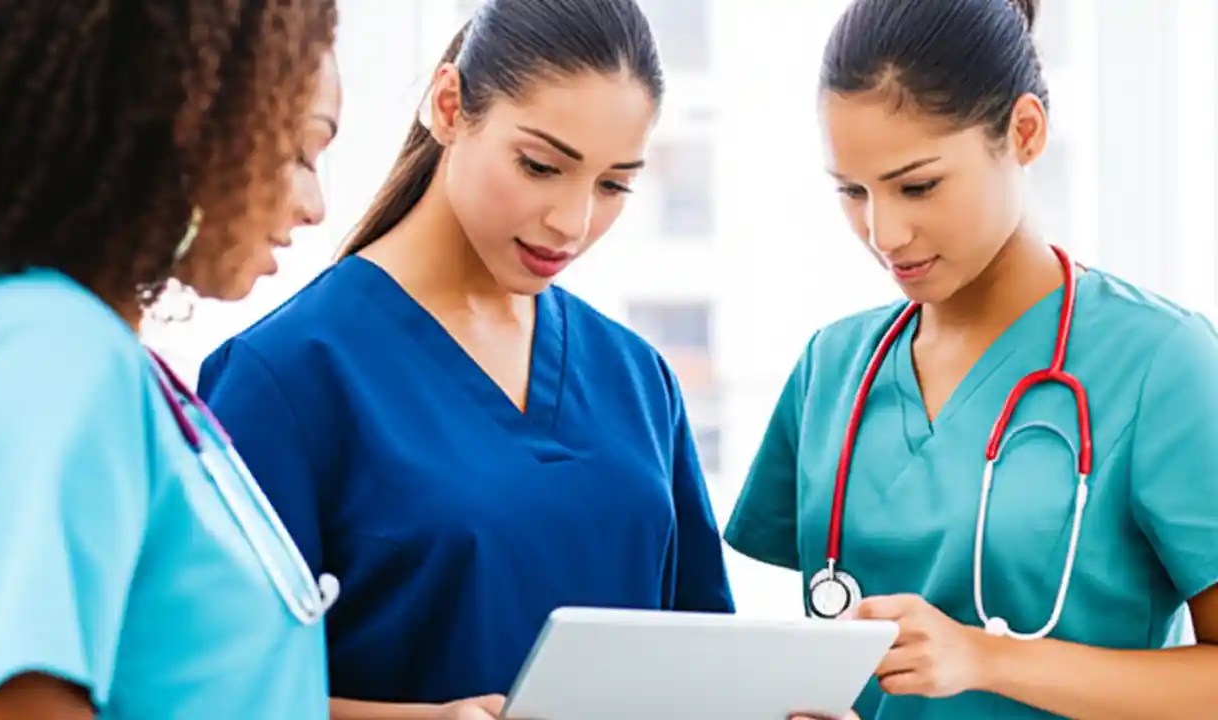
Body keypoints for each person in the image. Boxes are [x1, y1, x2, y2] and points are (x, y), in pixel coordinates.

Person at [196, 0, 736, 717]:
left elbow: (709, 667)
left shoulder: (637, 379)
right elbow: (207, 693)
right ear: (449, 106)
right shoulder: (284, 378)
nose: (571, 223)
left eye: (613, 185)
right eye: (541, 166)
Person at [733, 0, 1218, 718]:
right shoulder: (832, 368)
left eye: (918, 185)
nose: (883, 232)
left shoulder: (1161, 363)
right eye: (851, 191)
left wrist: (986, 658)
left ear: (1024, 132)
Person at [0, 2, 339, 717]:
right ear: (178, 124)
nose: (316, 206)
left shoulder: (105, 359)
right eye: (298, 153)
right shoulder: (48, 346)